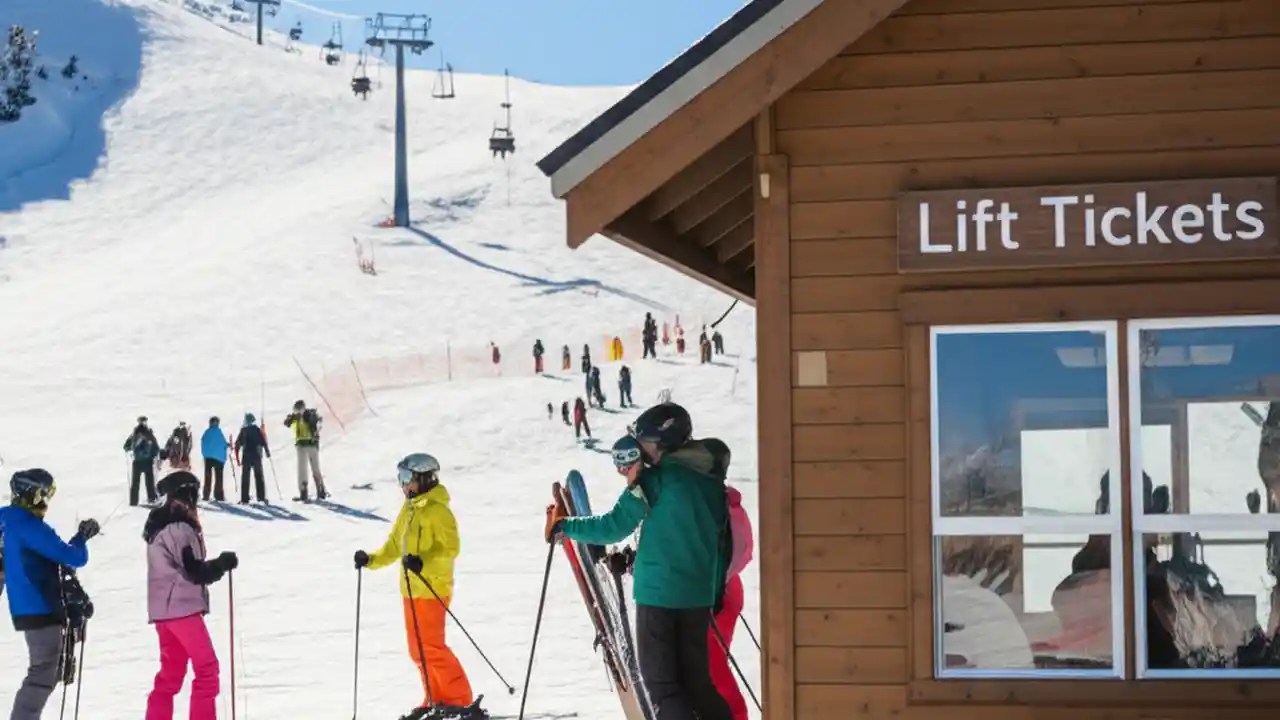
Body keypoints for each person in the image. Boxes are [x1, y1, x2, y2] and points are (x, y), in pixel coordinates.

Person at [545, 403, 731, 720]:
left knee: (664, 689)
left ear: (660, 442)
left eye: (642, 442)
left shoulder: (655, 480)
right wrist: (713, 595)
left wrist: (566, 525)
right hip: (697, 597)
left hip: (659, 598)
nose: (639, 449)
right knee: (698, 685)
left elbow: (613, 526)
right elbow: (722, 544)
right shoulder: (710, 482)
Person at [353, 454, 474, 715]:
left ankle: (459, 699)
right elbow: (395, 546)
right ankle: (434, 698)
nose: (402, 484)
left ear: (422, 478)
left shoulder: (438, 511)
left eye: (406, 478)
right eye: (400, 477)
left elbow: (450, 549)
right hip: (410, 589)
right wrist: (370, 560)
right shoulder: (409, 510)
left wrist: (423, 563)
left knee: (432, 647)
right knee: (417, 650)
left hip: (433, 588)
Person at [1, 469, 100, 720]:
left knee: (47, 669)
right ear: (28, 494)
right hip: (40, 604)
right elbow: (72, 556)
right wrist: (82, 537)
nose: (44, 503)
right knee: (44, 671)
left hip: (24, 605)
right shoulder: (27, 525)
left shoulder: (6, 521)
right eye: (41, 495)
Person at [143, 471, 238, 720]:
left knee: (170, 676)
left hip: (163, 612)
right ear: (184, 495)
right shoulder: (179, 528)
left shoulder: (160, 528)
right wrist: (220, 565)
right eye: (193, 494)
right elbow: (194, 571)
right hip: (181, 609)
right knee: (207, 670)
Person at [709, 485, 752, 720]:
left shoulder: (712, 505)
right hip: (725, 592)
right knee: (710, 666)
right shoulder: (725, 501)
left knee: (710, 667)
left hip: (716, 597)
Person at [284, 400, 328, 502]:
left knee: (315, 468)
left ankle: (321, 490)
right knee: (302, 470)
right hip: (301, 445)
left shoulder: (309, 415)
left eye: (299, 410)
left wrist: (309, 419)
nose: (298, 413)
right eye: (296, 410)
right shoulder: (296, 417)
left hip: (311, 444)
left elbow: (317, 423)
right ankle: (303, 493)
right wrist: (290, 418)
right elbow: (287, 423)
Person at [234, 414, 271, 505]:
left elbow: (237, 444)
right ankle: (261, 497)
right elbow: (263, 441)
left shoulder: (243, 431)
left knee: (245, 478)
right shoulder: (257, 430)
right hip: (257, 456)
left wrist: (237, 456)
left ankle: (244, 498)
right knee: (259, 476)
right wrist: (267, 452)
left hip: (246, 456)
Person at [126, 416, 162, 506]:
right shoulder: (148, 433)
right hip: (147, 461)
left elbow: (126, 446)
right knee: (149, 482)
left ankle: (133, 502)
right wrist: (155, 455)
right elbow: (156, 447)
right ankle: (152, 499)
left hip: (137, 461)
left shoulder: (135, 433)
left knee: (135, 483)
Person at [200, 417, 229, 502]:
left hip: (208, 458)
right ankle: (218, 496)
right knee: (219, 477)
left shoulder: (207, 432)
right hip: (218, 458)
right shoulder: (218, 432)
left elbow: (203, 442)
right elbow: (222, 443)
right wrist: (227, 445)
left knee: (208, 477)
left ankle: (206, 495)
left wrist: (205, 454)